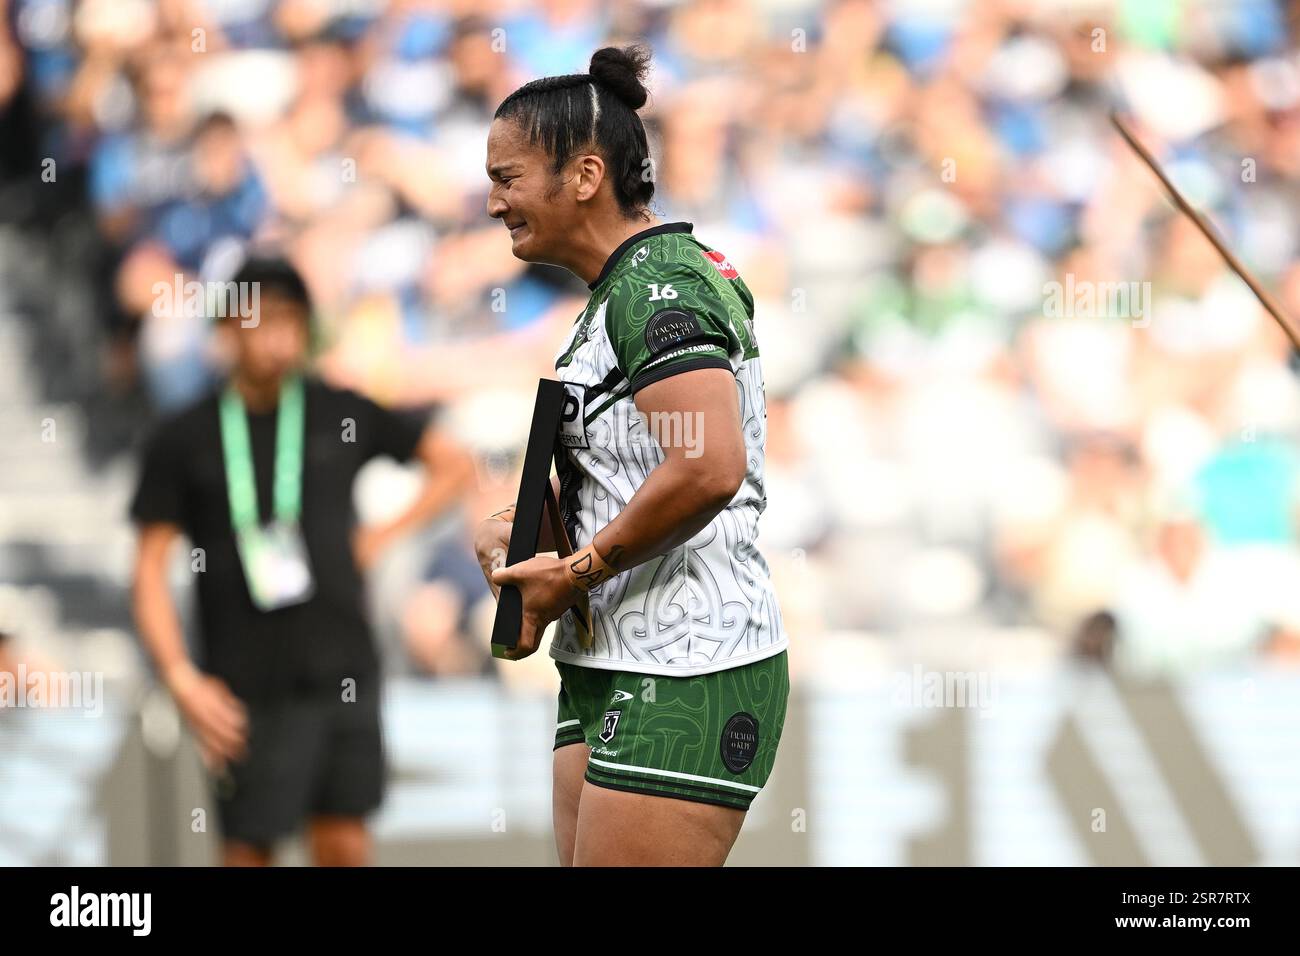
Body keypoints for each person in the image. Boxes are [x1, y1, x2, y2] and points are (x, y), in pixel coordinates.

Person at [475, 45, 789, 866]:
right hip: (610, 655)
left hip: (688, 663)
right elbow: (626, 475)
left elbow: (709, 467)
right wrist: (524, 533)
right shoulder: (616, 295)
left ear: (583, 175)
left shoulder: (660, 287)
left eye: (507, 179)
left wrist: (572, 572)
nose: (493, 202)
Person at [130, 255, 473, 866]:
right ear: (227, 328)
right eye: (261, 319)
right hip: (243, 688)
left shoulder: (338, 411)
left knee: (343, 843)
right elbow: (149, 570)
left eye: (291, 320)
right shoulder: (185, 436)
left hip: (343, 672)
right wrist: (181, 678)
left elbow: (453, 464)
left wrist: (381, 536)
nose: (278, 335)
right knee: (246, 852)